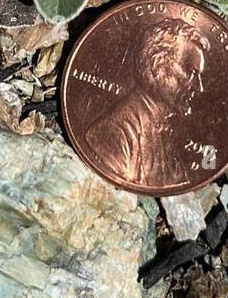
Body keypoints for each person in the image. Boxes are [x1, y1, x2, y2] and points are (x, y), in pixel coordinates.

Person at [83, 18, 209, 187]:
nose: (199, 87)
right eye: (191, 73)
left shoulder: (164, 134)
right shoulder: (112, 134)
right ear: (158, 66)